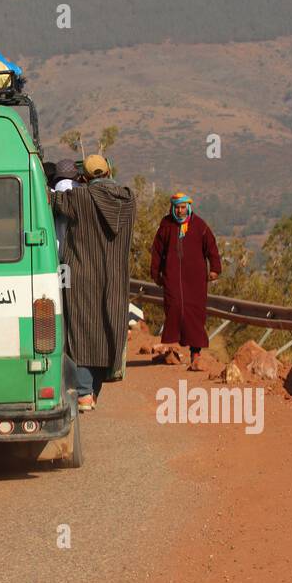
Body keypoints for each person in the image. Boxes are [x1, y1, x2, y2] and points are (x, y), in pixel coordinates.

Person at [52, 154, 136, 410]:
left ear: (84, 177)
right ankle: (94, 389)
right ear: (109, 171)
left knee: (80, 331)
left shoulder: (79, 198)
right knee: (107, 329)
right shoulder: (129, 200)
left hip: (81, 275)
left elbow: (51, 200)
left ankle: (85, 392)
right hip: (115, 276)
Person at [149, 192, 221, 370]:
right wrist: (155, 273)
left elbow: (211, 247)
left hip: (195, 278)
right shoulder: (166, 225)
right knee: (173, 309)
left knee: (194, 314)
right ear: (173, 208)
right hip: (172, 276)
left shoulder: (199, 225)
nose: (180, 211)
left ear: (188, 207)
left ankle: (195, 353)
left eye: (183, 207)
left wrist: (215, 269)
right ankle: (172, 349)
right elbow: (157, 251)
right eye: (177, 207)